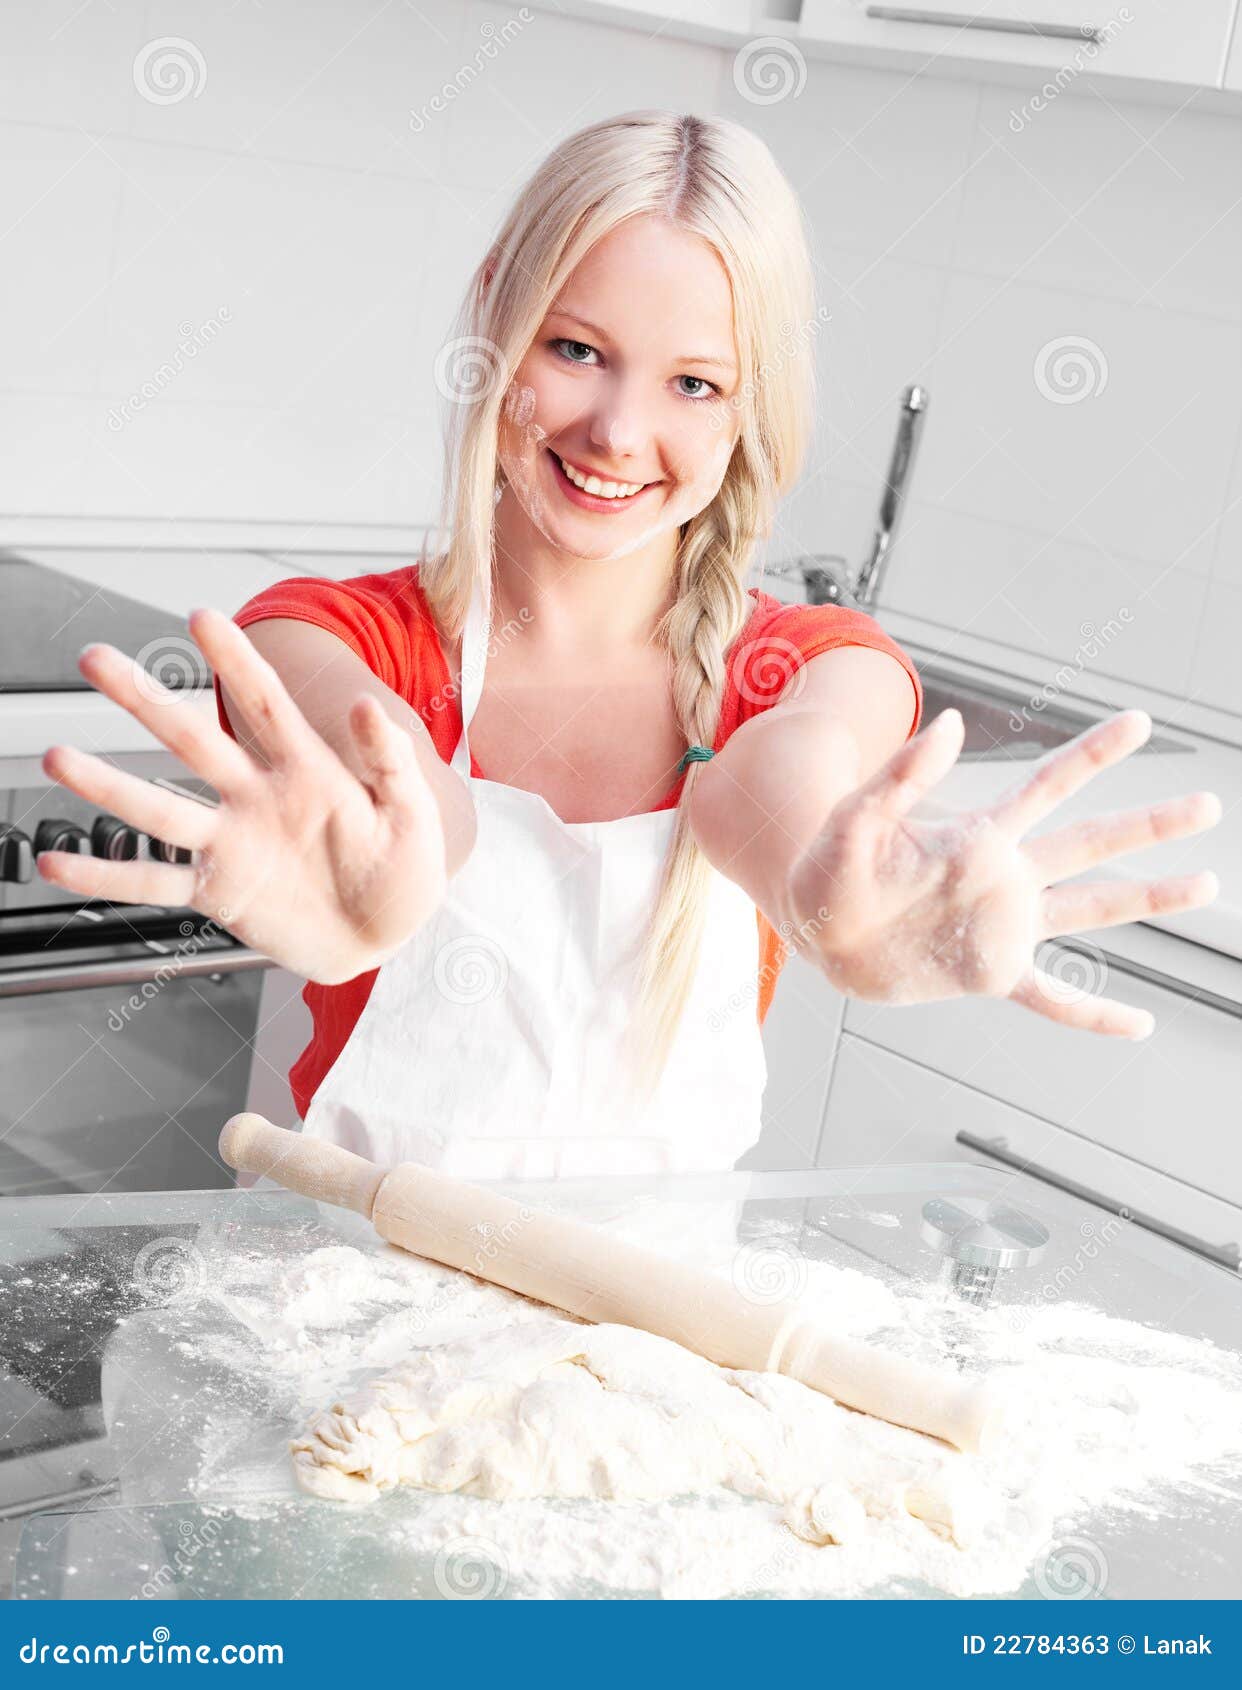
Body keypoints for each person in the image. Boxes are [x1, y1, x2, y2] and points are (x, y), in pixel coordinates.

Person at [38, 112, 1220, 1183]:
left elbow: (774, 793)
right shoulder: (331, 636)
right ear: (497, 309)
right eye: (577, 350)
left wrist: (840, 911)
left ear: (750, 407)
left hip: (639, 1356)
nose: (618, 431)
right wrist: (388, 877)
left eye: (695, 382)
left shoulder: (817, 665)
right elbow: (403, 786)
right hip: (344, 1306)